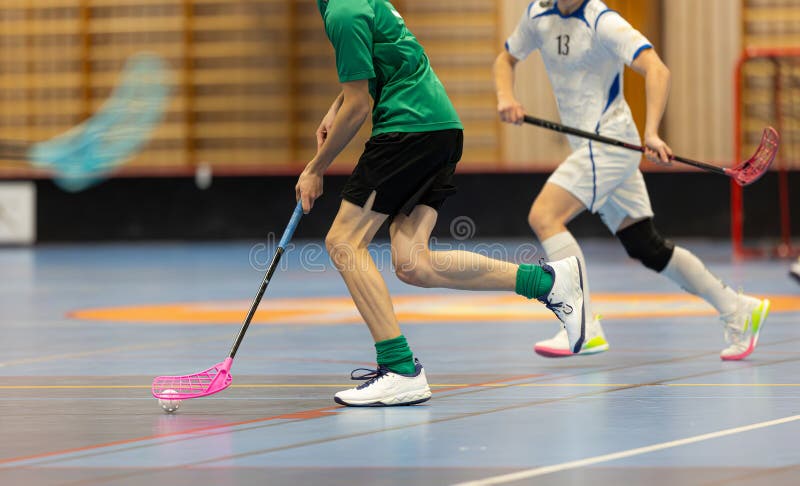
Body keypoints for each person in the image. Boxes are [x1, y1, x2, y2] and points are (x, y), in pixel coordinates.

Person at [296, 0, 585, 407]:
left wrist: (315, 168)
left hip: (408, 128)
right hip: (439, 128)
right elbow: (384, 61)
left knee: (343, 241)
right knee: (414, 263)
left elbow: (360, 104)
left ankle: (399, 368)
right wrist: (336, 105)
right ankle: (548, 283)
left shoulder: (342, 10)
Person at [494, 0, 770, 360]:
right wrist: (506, 97)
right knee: (646, 246)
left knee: (544, 216)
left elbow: (657, 69)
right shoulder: (537, 15)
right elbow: (505, 59)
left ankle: (583, 325)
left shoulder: (602, 21)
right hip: (589, 147)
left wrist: (652, 132)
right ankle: (738, 308)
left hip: (609, 142)